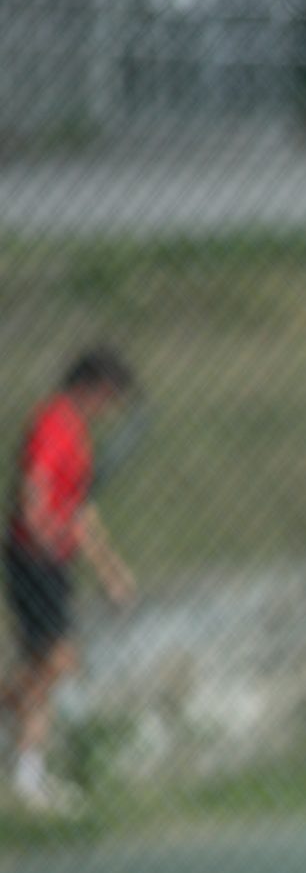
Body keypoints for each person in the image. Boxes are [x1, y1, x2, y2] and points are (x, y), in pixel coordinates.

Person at [3, 348, 138, 814]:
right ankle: (23, 764)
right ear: (94, 387)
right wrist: (44, 529)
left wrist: (109, 569)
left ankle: (27, 778)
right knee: (58, 662)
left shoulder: (78, 434)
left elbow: (79, 510)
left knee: (43, 668)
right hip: (33, 558)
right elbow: (34, 493)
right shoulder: (52, 423)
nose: (110, 408)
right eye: (110, 397)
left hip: (55, 559)